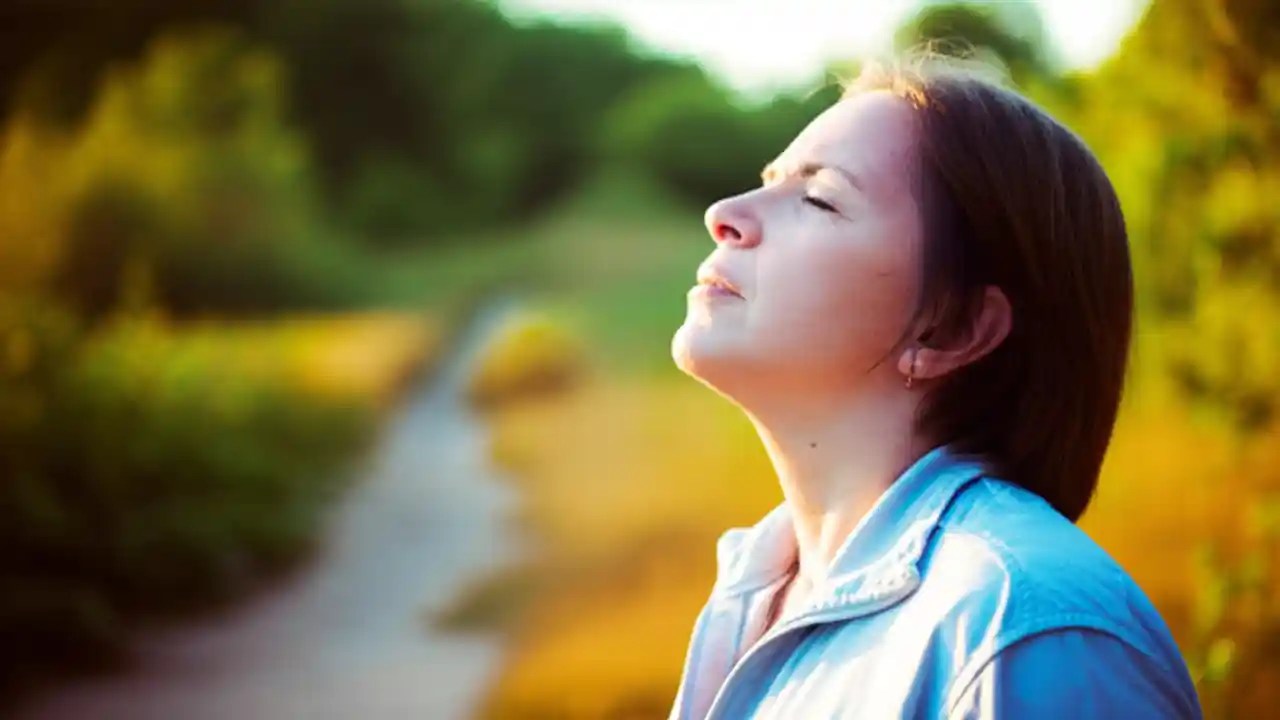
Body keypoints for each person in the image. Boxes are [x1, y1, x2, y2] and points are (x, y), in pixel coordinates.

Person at [667, 56, 1203, 720]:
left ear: (951, 330)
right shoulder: (757, 591)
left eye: (818, 197)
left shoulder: (1026, 632)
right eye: (768, 181)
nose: (725, 214)